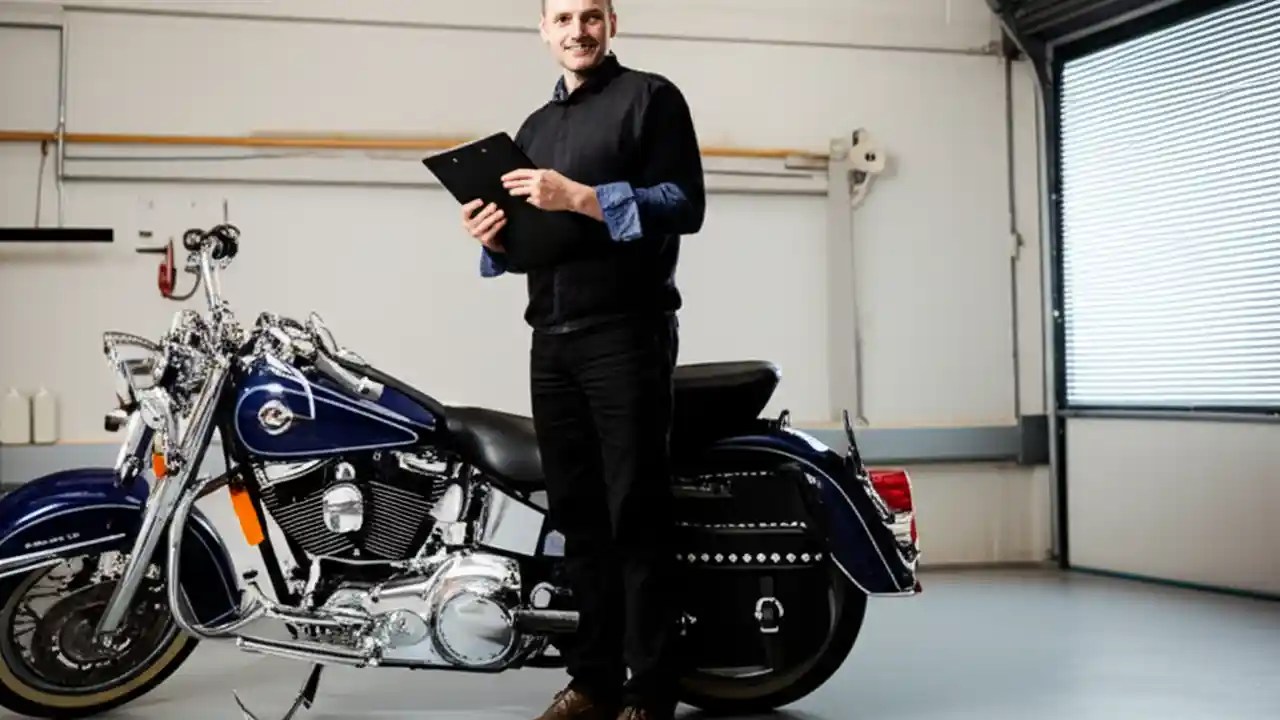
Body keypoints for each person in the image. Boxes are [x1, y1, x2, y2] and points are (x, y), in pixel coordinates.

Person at [458, 1, 706, 719]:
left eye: (590, 15)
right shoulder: (533, 130)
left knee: (636, 512)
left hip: (628, 332)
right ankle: (593, 683)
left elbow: (683, 204)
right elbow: (537, 240)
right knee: (578, 518)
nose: (577, 30)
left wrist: (584, 197)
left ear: (612, 22)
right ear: (544, 30)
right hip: (553, 339)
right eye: (562, 17)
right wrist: (494, 239)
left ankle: (651, 693)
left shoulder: (651, 99)